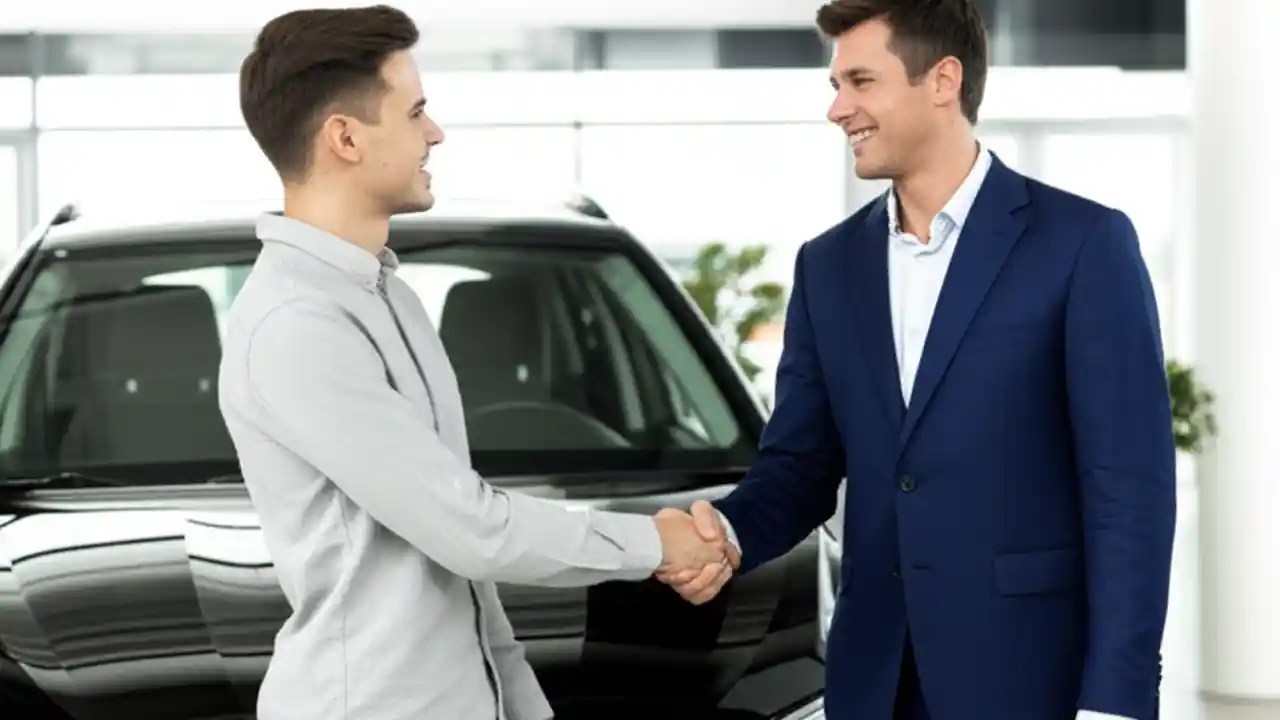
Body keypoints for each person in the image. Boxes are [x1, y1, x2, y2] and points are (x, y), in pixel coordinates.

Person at [659, 1, 1176, 719]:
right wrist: (728, 532)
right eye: (835, 85)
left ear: (943, 80)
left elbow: (1129, 492)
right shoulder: (828, 266)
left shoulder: (1082, 244)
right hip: (874, 678)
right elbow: (801, 465)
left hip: (1028, 678)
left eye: (860, 81)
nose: (838, 109)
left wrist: (1116, 700)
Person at [217, 6, 728, 720]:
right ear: (345, 138)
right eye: (415, 112)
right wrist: (654, 542)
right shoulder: (297, 324)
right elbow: (470, 530)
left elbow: (457, 568)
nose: (435, 133)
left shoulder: (384, 295)